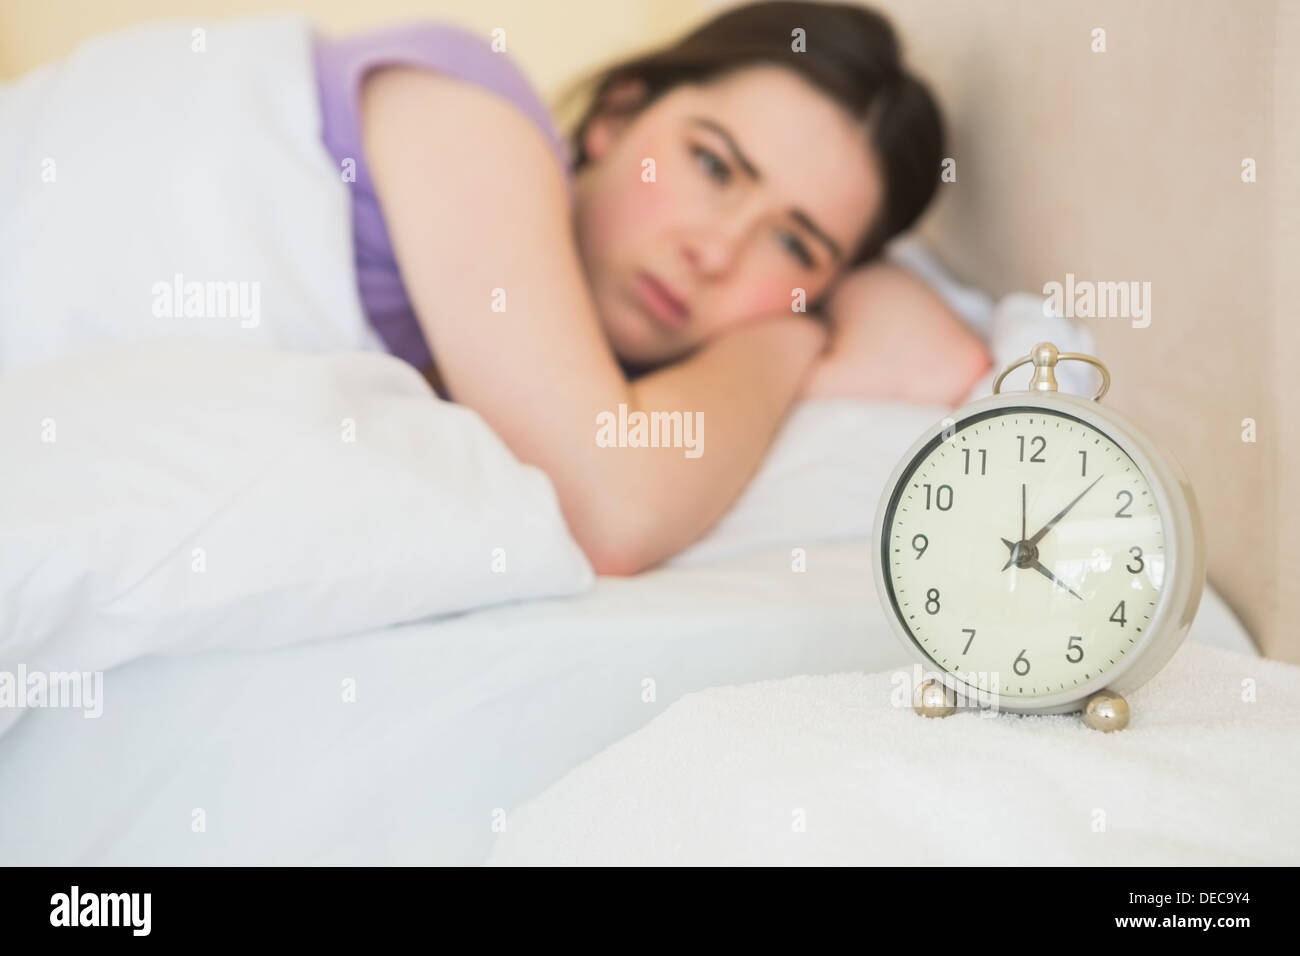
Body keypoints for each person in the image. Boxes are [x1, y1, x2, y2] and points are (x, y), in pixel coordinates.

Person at [313, 0, 992, 575]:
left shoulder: (629, 383)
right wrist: (791, 337)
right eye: (714, 165)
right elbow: (614, 509)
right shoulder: (471, 111)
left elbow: (932, 358)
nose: (717, 252)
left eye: (793, 244)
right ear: (616, 115)